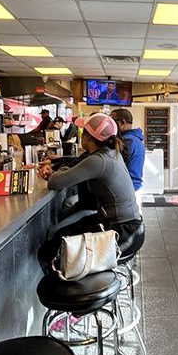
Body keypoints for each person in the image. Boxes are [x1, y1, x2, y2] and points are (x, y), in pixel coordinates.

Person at [37, 112, 142, 261]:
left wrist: (60, 170)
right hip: (128, 227)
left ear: (88, 137)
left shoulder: (98, 160)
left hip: (122, 234)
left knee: (48, 251)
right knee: (61, 233)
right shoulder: (111, 152)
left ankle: (66, 281)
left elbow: (55, 182)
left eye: (83, 132)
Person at [110, 108, 145, 191]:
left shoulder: (126, 141)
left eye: (112, 122)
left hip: (126, 188)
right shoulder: (135, 139)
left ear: (122, 122)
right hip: (133, 187)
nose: (110, 125)